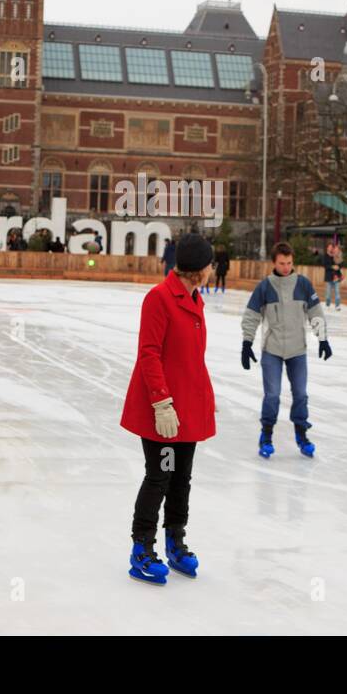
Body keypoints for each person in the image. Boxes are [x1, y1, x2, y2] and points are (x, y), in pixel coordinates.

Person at [120, 232, 216, 584]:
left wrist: (205, 397)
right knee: (160, 476)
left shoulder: (194, 299)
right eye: (209, 263)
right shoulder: (159, 298)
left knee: (181, 479)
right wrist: (162, 403)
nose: (211, 269)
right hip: (161, 411)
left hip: (187, 410)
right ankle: (142, 548)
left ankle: (175, 539)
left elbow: (192, 359)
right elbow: (149, 354)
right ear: (198, 268)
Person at [241, 241, 332, 459]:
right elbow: (251, 316)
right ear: (274, 262)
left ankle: (302, 436)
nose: (286, 267)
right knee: (272, 396)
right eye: (282, 263)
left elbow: (315, 312)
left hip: (297, 350)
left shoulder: (303, 284)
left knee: (300, 394)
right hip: (271, 350)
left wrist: (322, 339)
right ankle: (266, 435)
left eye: (289, 263)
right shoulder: (265, 287)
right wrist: (246, 343)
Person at [322, 242, 344, 310]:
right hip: (328, 277)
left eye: (332, 247)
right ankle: (327, 305)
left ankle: (337, 305)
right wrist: (332, 267)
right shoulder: (325, 256)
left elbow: (341, 264)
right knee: (328, 294)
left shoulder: (336, 256)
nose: (330, 248)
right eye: (329, 247)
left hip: (336, 277)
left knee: (337, 292)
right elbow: (325, 265)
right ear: (327, 248)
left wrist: (338, 267)